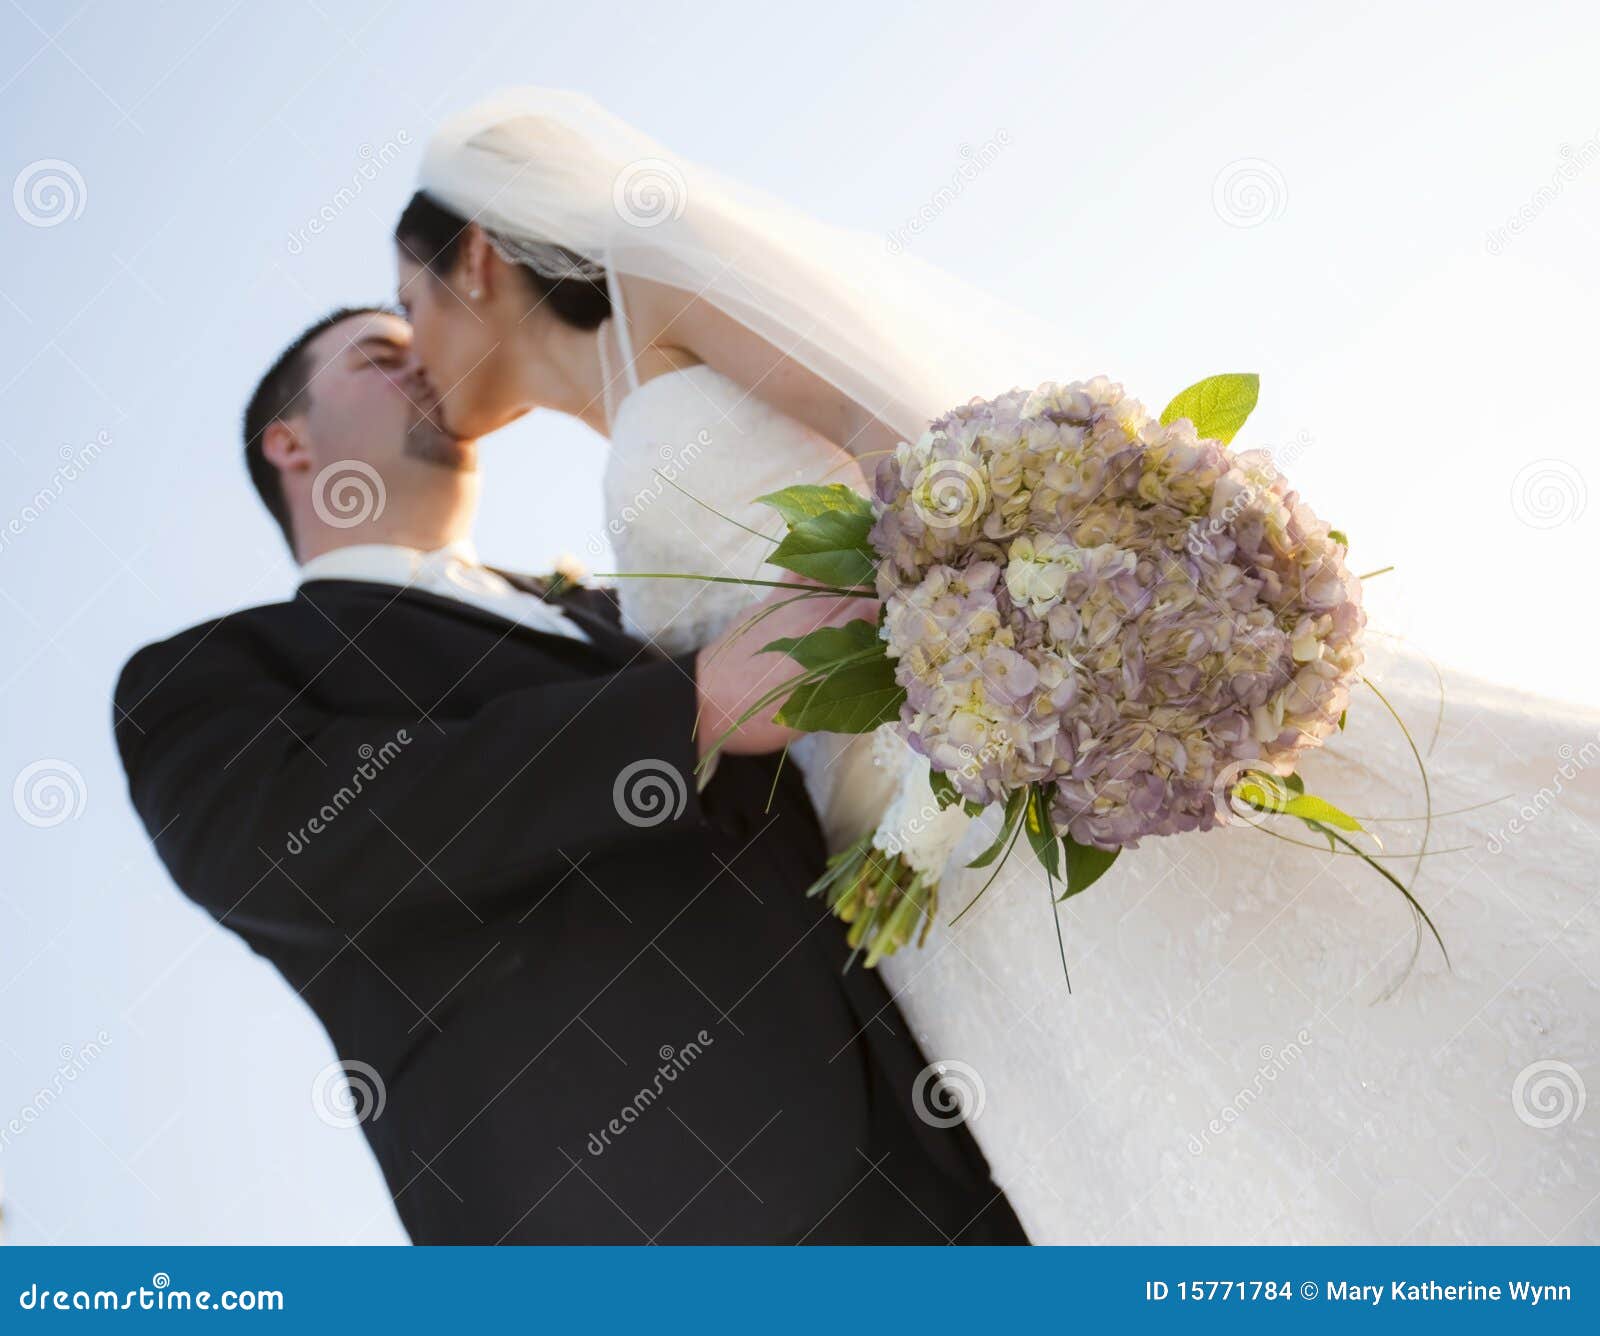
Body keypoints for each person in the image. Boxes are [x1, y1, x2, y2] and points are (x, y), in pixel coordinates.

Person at [393, 88, 1600, 1244]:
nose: (407, 350)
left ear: (479, 262)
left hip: (1000, 747)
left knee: (1322, 999)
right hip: (905, 878)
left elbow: (914, 451)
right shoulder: (607, 479)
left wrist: (996, 663)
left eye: (409, 304)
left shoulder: (656, 279)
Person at [112, 306, 1028, 1245]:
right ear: (289, 440)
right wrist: (694, 709)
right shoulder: (210, 670)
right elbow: (281, 842)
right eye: (382, 354)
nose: (424, 360)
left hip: (947, 1158)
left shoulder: (606, 605)